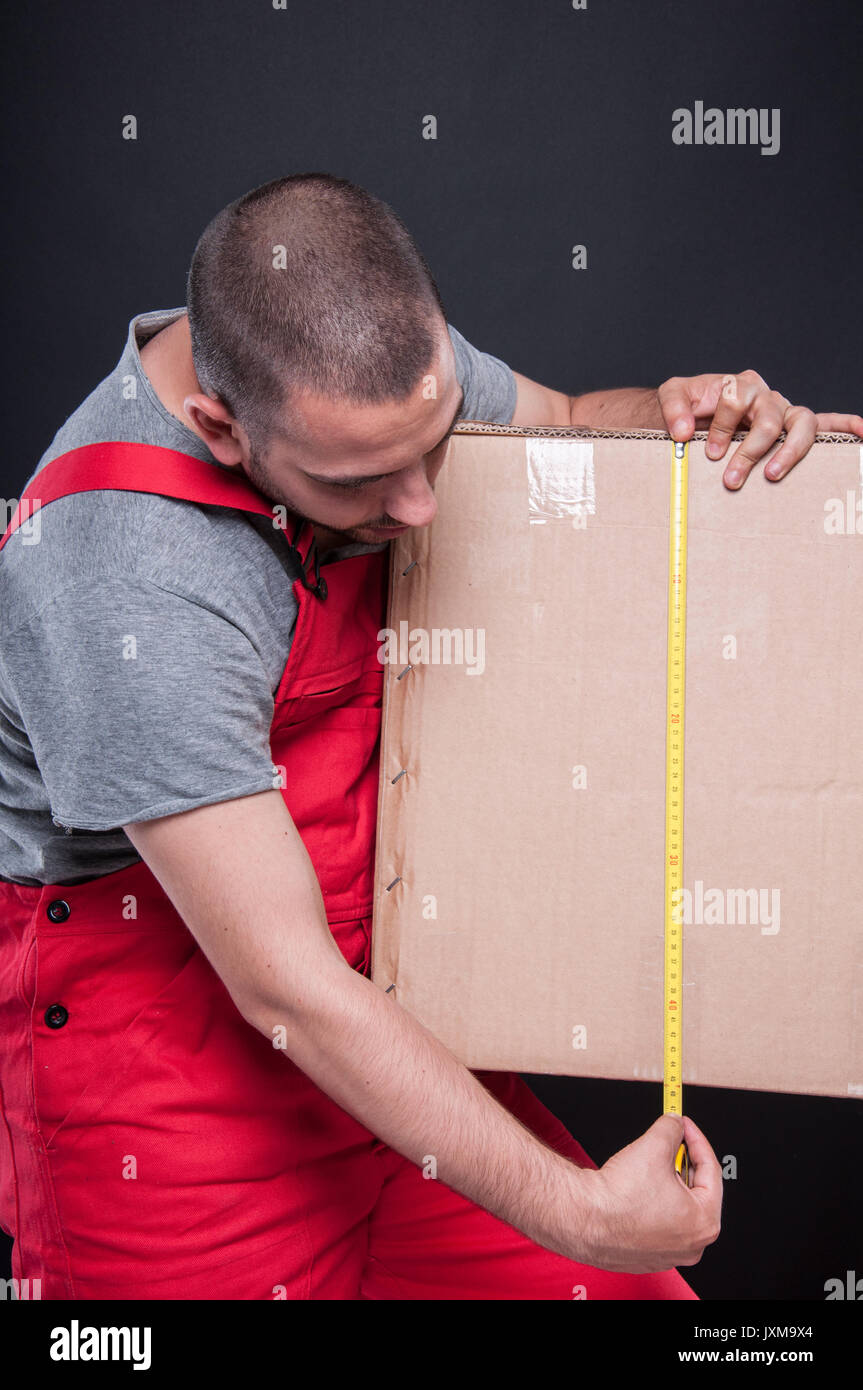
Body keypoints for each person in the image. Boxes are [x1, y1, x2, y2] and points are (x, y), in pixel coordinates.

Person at [1, 173, 859, 1301]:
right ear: (221, 426)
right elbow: (282, 987)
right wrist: (583, 1212)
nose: (421, 505)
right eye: (361, 482)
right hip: (174, 1093)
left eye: (439, 439)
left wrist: (678, 420)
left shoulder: (370, 372)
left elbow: (554, 428)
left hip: (396, 1036)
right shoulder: (127, 571)